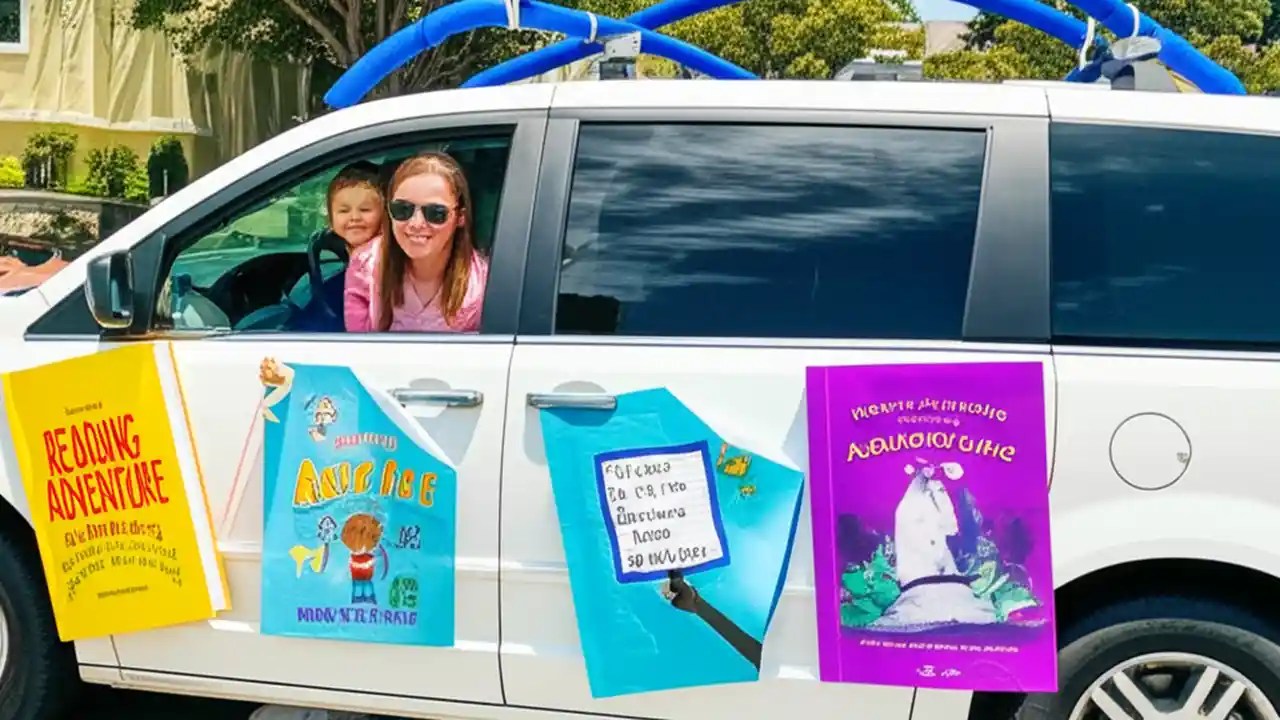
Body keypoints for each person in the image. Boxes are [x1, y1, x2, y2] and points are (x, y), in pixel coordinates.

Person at [345, 152, 488, 332]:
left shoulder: (483, 284)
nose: (416, 223)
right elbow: (357, 349)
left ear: (460, 217)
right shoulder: (365, 265)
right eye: (402, 209)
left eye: (435, 213)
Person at [323, 162, 384, 332]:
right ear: (330, 219)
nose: (354, 217)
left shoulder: (371, 258)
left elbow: (357, 334)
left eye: (365, 210)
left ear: (384, 214)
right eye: (344, 211)